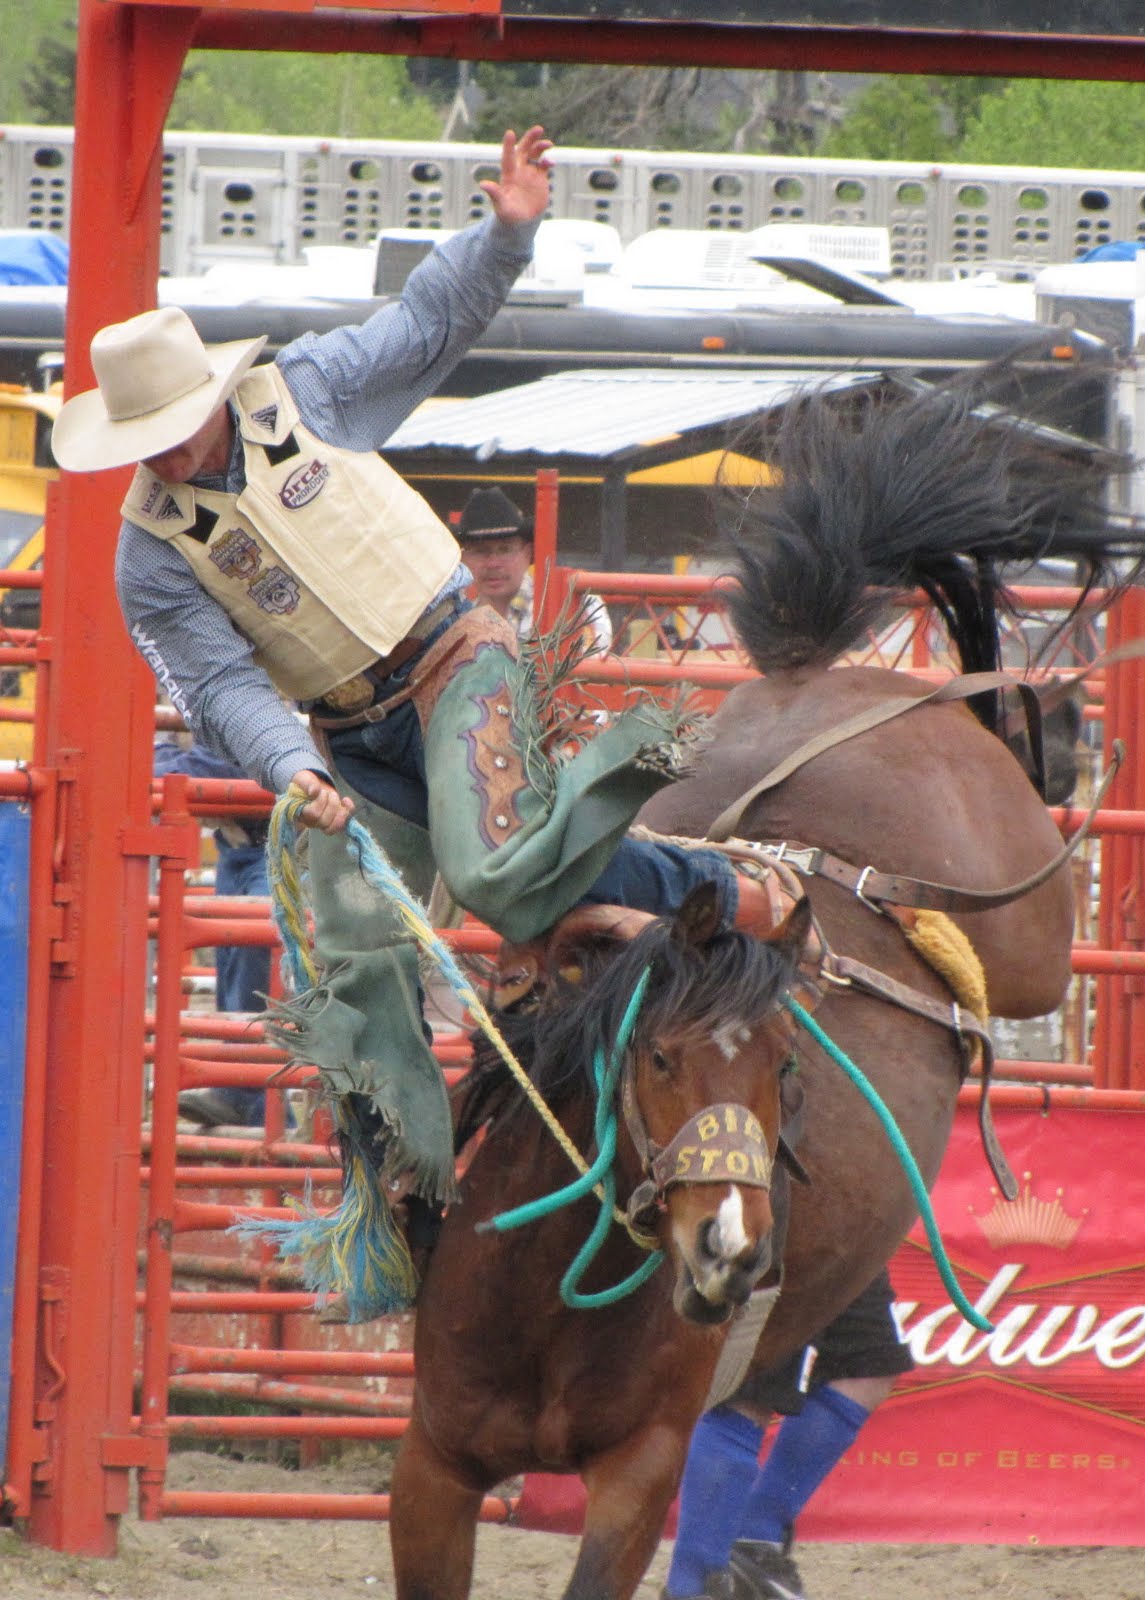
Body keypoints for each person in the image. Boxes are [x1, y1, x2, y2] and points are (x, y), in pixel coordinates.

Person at [49, 124, 751, 1223]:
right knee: (347, 952)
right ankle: (404, 1183)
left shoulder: (307, 390)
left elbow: (423, 323)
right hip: (346, 733)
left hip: (456, 655)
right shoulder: (150, 555)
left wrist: (503, 238)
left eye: (176, 424)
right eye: (149, 436)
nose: (168, 450)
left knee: (488, 870)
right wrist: (289, 766)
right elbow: (219, 685)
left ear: (211, 396)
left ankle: (719, 889)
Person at [664, 1272, 912, 1600]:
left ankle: (755, 1540)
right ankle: (692, 1586)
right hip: (774, 1249)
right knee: (746, 1396)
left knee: (870, 1364)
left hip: (851, 1247)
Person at [154, 733, 272, 1128]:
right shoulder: (211, 714)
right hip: (239, 846)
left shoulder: (231, 715)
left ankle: (243, 1094)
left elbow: (199, 771)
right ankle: (258, 1107)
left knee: (254, 950)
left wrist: (152, 754)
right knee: (235, 965)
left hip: (271, 846)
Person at [455, 484, 613, 653]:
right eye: (481, 551)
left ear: (528, 553)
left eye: (505, 550)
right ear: (463, 560)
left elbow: (591, 659)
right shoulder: (453, 620)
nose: (493, 563)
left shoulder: (576, 599)